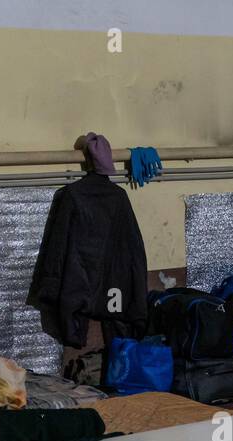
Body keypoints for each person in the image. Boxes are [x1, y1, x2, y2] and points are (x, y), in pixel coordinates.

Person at [27, 132, 147, 386]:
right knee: (119, 324)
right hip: (114, 285)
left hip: (77, 281)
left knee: (78, 320)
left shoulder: (72, 195)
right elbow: (134, 249)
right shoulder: (118, 197)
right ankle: (119, 375)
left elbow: (57, 247)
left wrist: (49, 287)